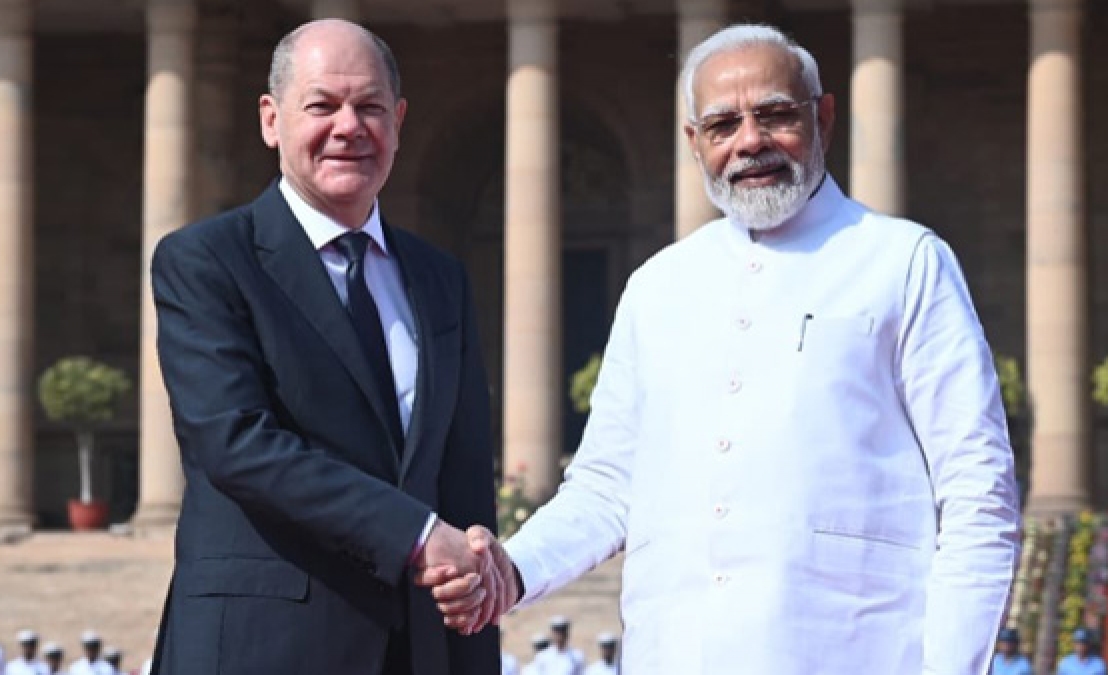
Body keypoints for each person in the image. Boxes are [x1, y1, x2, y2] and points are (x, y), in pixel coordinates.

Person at [424, 21, 1020, 675]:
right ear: (693, 142)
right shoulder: (658, 287)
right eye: (722, 124)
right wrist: (513, 568)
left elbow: (978, 494)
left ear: (823, 118)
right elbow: (605, 486)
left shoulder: (903, 262)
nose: (750, 142)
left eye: (773, 115)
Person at [146, 17, 500, 675]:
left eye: (369, 106)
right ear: (270, 119)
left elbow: (463, 479)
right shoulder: (206, 261)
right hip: (263, 646)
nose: (349, 126)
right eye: (322, 105)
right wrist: (417, 536)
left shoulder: (440, 279)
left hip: (415, 649)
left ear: (397, 121)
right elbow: (235, 442)